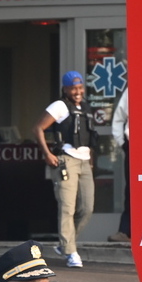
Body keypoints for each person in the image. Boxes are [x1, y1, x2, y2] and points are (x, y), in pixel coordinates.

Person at [33, 71, 97, 268]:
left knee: (87, 207)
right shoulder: (60, 106)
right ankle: (70, 252)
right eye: (73, 88)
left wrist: (92, 160)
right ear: (65, 89)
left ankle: (66, 243)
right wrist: (47, 153)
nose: (77, 92)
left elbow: (89, 135)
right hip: (66, 160)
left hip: (85, 161)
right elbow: (38, 128)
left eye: (80, 88)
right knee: (67, 207)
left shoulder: (86, 107)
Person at [108, 87, 130, 243]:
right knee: (132, 191)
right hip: (136, 147)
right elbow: (118, 119)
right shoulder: (134, 88)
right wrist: (124, 144)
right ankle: (125, 231)